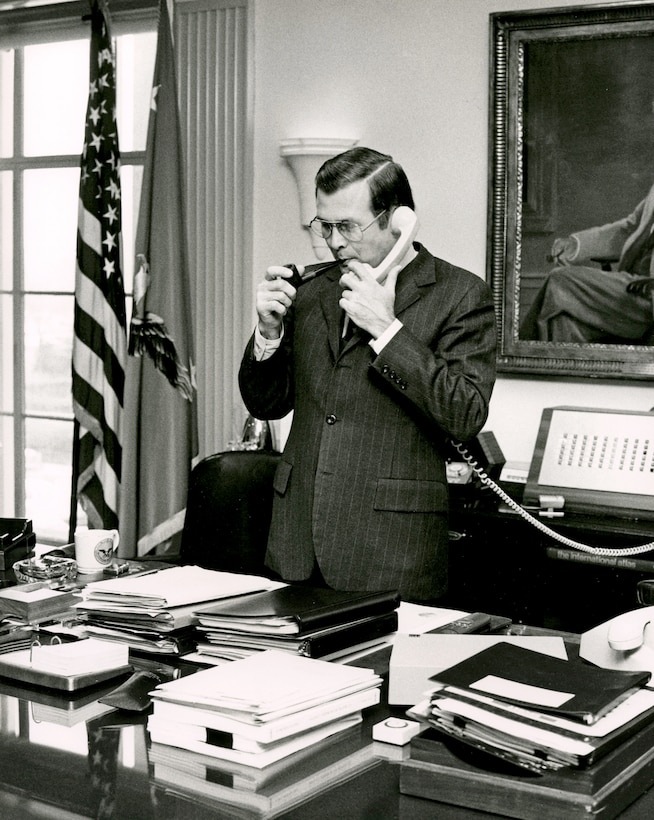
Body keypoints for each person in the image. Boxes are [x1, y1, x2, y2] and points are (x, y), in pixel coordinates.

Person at [238, 147, 496, 603]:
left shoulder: (460, 294)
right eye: (324, 225)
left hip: (390, 553)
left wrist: (388, 330)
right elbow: (266, 403)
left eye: (347, 227)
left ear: (398, 221)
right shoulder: (312, 290)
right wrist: (268, 333)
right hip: (296, 545)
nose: (334, 242)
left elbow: (465, 412)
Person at [520, 182, 654, 343]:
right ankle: (542, 365)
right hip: (630, 288)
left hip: (647, 297)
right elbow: (628, 229)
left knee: (560, 279)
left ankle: (516, 351)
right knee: (563, 319)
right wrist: (576, 245)